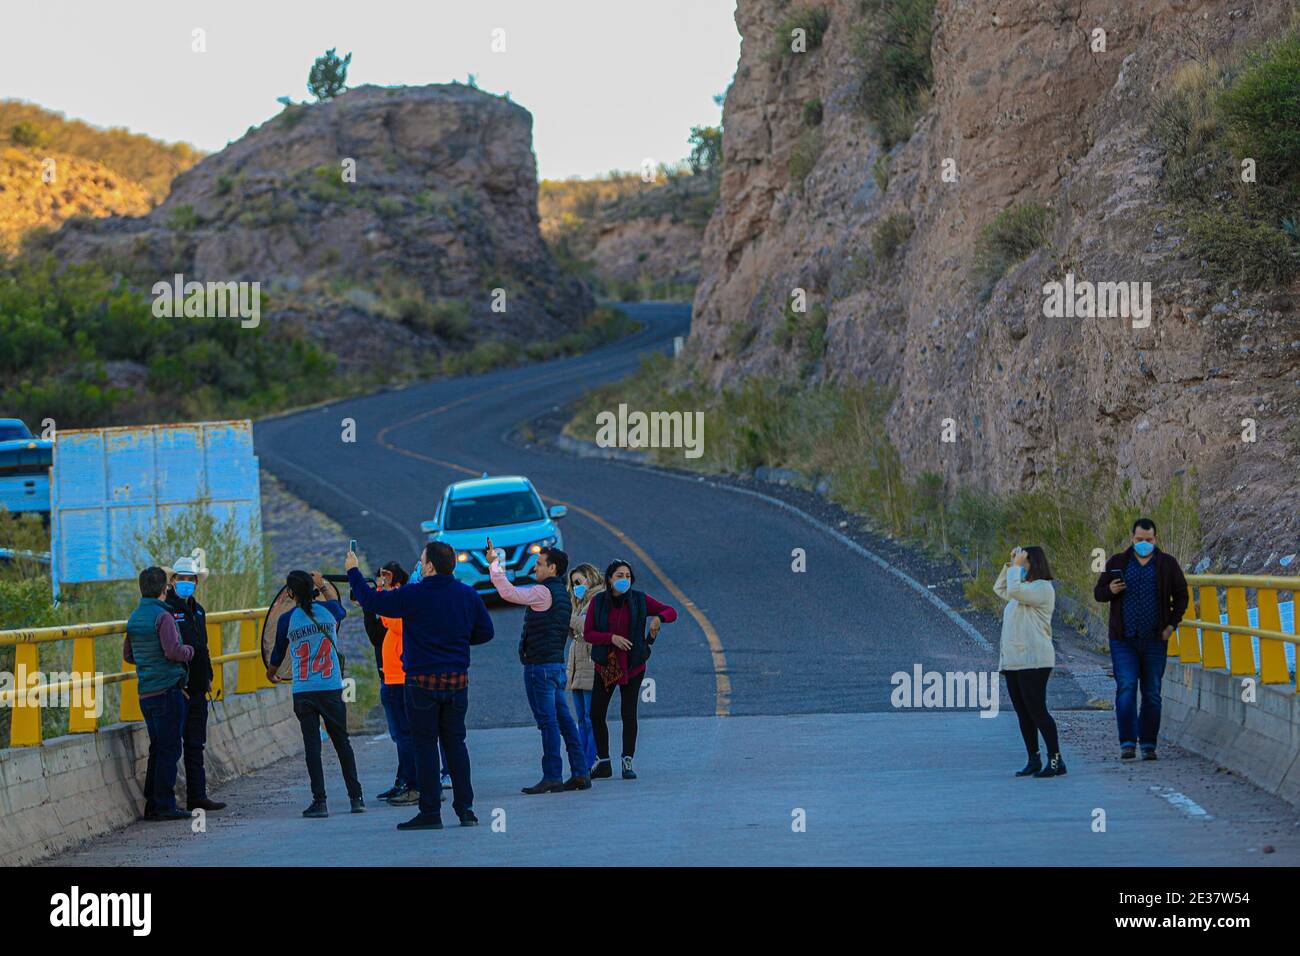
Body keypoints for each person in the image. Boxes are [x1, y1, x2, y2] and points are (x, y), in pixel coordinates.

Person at [348, 542, 494, 830]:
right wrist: (457, 642)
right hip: (456, 680)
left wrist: (353, 570)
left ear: (429, 566)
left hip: (421, 681)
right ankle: (466, 810)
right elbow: (485, 631)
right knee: (455, 744)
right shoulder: (467, 594)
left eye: (422, 560)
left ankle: (430, 812)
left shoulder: (413, 594)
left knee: (425, 745)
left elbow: (372, 601)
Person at [486, 538, 590, 794]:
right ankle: (580, 772)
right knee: (565, 720)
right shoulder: (564, 596)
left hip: (539, 667)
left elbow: (508, 592)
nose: (535, 569)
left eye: (540, 564)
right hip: (555, 664)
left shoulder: (543, 592)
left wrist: (494, 565)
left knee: (548, 723)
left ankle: (553, 775)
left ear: (553, 568)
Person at [267, 569, 364, 818]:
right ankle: (356, 798)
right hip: (330, 687)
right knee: (342, 743)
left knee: (312, 747)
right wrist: (322, 584)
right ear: (312, 589)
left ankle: (319, 802)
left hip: (304, 690)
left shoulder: (287, 619)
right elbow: (337, 602)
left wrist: (271, 673)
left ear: (290, 593)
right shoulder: (330, 611)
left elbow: (277, 654)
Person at [1094, 517, 1190, 761]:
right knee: (1126, 688)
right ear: (1132, 538)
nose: (1144, 544)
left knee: (1152, 693)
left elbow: (1181, 596)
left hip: (1155, 640)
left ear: (1155, 539)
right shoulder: (1118, 561)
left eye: (1149, 540)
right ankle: (1127, 742)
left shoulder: (1167, 564)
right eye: (1140, 540)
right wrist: (1110, 591)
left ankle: (1148, 744)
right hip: (1123, 639)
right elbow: (1099, 593)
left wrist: (1171, 625)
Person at [584, 559, 677, 780]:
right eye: (619, 576)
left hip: (633, 666)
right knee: (596, 713)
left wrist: (658, 619)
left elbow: (671, 610)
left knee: (629, 713)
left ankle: (627, 760)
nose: (624, 580)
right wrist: (611, 638)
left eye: (627, 576)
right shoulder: (598, 602)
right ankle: (604, 761)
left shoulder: (639, 600)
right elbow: (589, 633)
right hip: (606, 666)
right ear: (609, 579)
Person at [123, 566, 195, 821]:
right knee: (170, 749)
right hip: (167, 690)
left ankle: (153, 803)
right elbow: (173, 652)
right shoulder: (163, 616)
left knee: (158, 747)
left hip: (146, 692)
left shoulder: (134, 617)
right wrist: (190, 651)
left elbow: (128, 655)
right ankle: (164, 804)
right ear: (165, 589)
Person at [162, 554, 226, 813]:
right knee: (172, 745)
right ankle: (165, 802)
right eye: (182, 578)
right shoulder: (167, 609)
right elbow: (167, 649)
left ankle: (197, 796)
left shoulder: (198, 610)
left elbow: (203, 646)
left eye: (192, 579)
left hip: (199, 687)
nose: (187, 582)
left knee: (196, 743)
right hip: (179, 688)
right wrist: (179, 682)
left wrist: (208, 676)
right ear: (173, 580)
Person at [994, 546, 1064, 778]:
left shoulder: (1042, 589)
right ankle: (1033, 758)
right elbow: (1001, 588)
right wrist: (1010, 564)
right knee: (1023, 713)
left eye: (1024, 562)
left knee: (1038, 711)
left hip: (1034, 661)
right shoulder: (1020, 592)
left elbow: (1014, 588)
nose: (1020, 566)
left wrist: (1015, 569)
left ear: (1035, 563)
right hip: (1014, 662)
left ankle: (1056, 759)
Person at [363, 561, 419, 804]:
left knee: (406, 735)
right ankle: (404, 780)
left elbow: (390, 620)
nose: (381, 583)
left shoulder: (402, 609)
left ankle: (414, 784)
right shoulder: (393, 609)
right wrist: (369, 604)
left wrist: (376, 596)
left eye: (386, 579)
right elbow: (376, 635)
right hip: (391, 676)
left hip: (401, 679)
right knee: (401, 736)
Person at [566, 563, 604, 776]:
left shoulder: (598, 600)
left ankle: (591, 760)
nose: (577, 586)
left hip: (591, 664)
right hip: (577, 664)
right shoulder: (580, 603)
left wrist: (567, 617)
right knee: (581, 717)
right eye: (574, 584)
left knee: (591, 717)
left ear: (590, 578)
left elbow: (586, 626)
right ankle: (581, 762)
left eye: (579, 582)